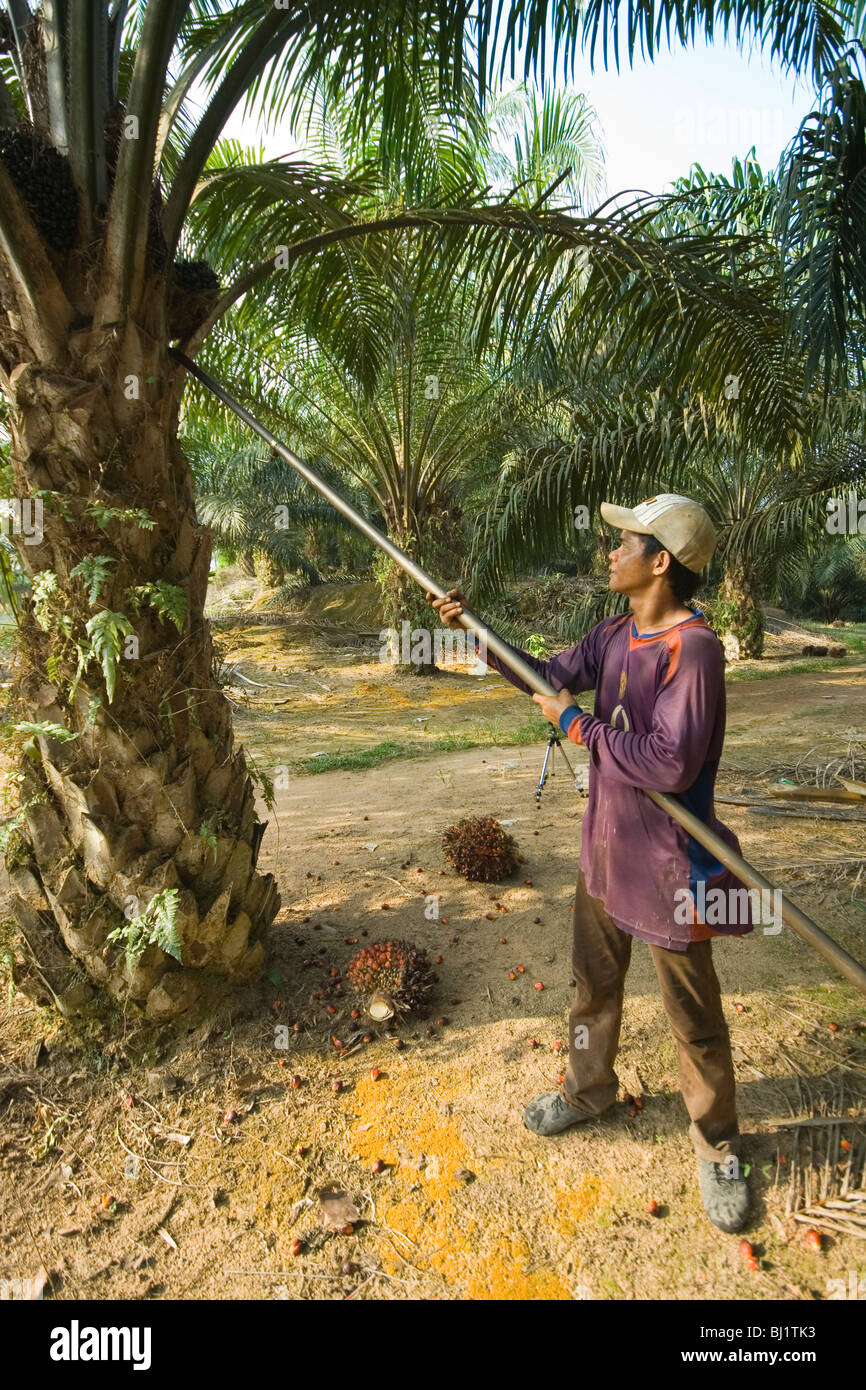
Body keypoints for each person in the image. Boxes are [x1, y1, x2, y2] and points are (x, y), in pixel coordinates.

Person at [428, 494, 753, 1233]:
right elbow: (546, 673)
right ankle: (585, 1091)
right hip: (605, 852)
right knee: (590, 990)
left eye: (625, 542)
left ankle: (718, 1148)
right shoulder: (613, 634)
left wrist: (579, 726)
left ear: (660, 561)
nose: (610, 552)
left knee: (694, 1021)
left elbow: (670, 763)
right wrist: (476, 633)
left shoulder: (693, 651)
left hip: (672, 868)